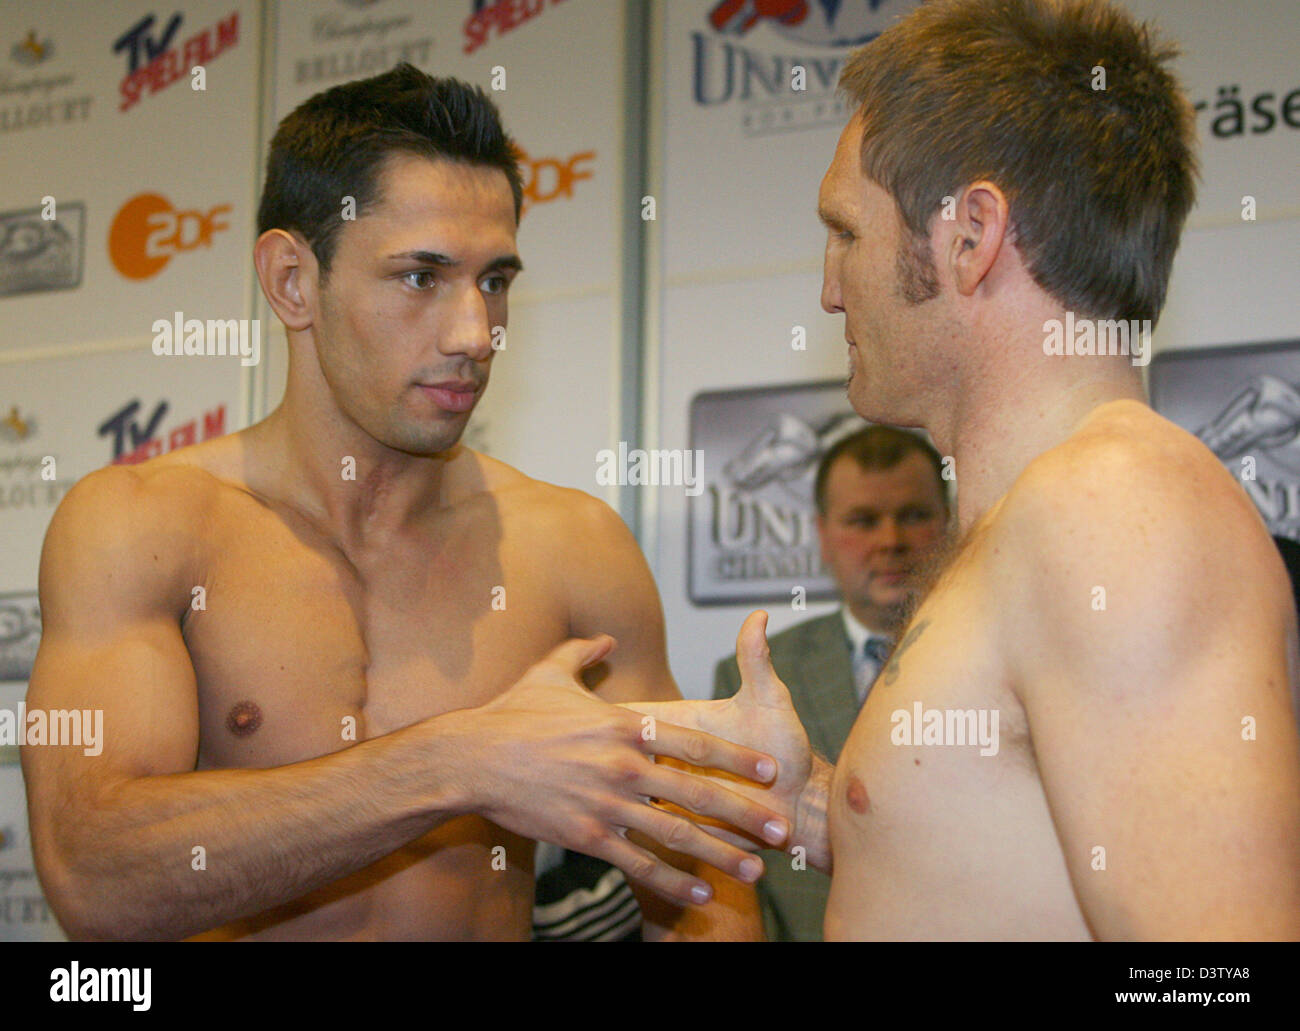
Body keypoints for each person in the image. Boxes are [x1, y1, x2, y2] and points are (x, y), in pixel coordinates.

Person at [20, 65, 786, 942]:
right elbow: (94, 877)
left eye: (494, 280)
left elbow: (697, 884)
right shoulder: (144, 527)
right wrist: (455, 763)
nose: (474, 333)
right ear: (291, 280)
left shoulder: (573, 549)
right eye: (422, 278)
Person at [630, 0, 1300, 940]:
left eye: (848, 234)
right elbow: (991, 858)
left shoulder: (1113, 512)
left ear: (971, 235)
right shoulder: (1035, 519)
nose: (829, 289)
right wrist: (813, 799)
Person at [712, 425, 949, 940]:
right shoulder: (755, 674)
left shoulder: (1008, 662)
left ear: (950, 522)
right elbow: (734, 866)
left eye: (913, 515)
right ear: (821, 535)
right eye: (862, 521)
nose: (891, 541)